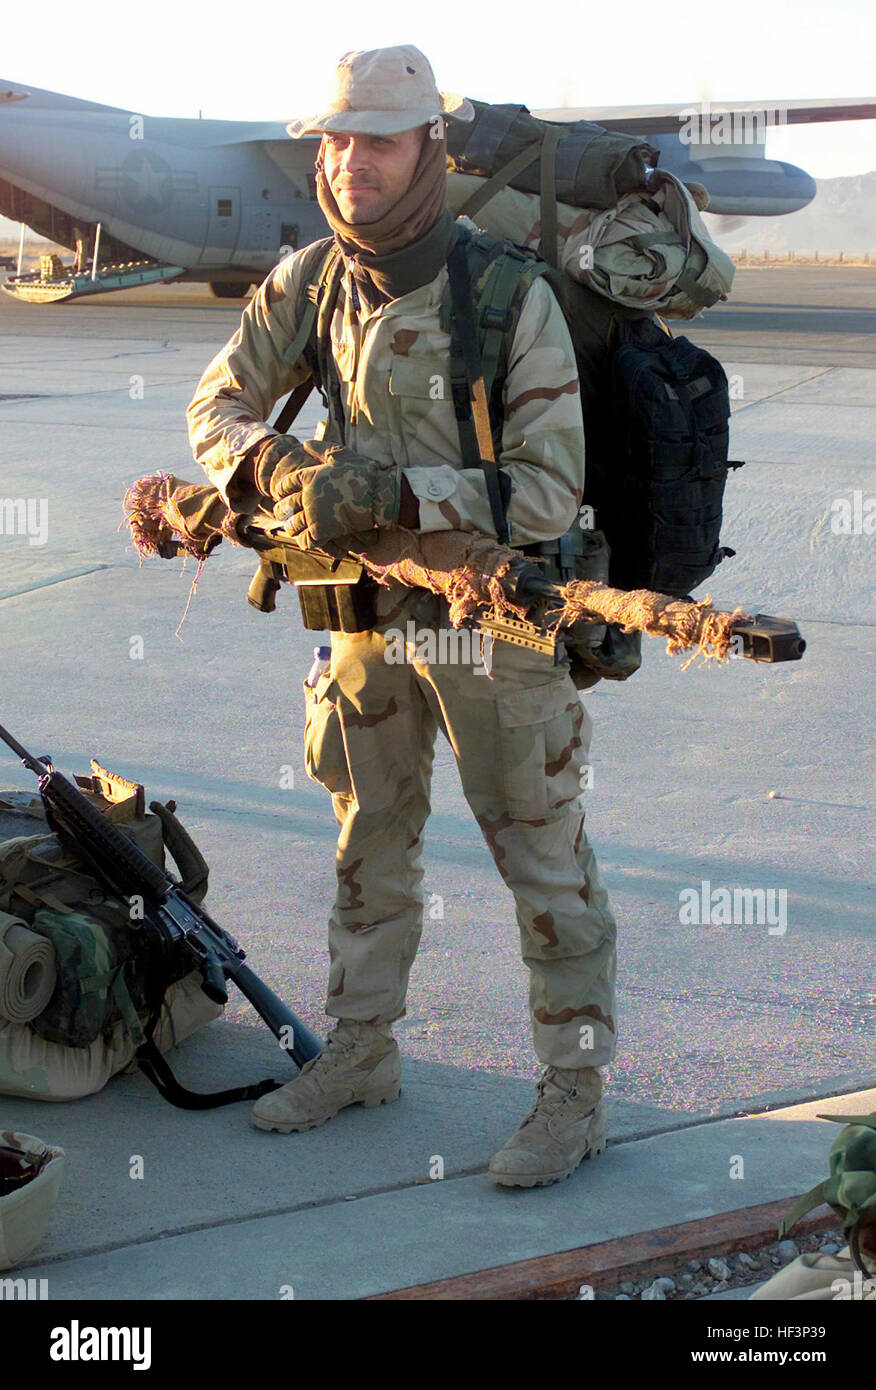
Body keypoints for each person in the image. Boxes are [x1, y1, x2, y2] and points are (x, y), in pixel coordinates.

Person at [186, 44, 617, 1188]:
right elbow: (214, 403)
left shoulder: (505, 292)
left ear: (428, 148)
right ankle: (364, 1052)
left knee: (542, 854)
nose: (349, 162)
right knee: (367, 844)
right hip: (366, 621)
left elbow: (549, 489)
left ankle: (574, 1090)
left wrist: (397, 494)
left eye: (377, 139)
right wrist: (275, 461)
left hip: (492, 627)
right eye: (335, 139)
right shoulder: (312, 280)